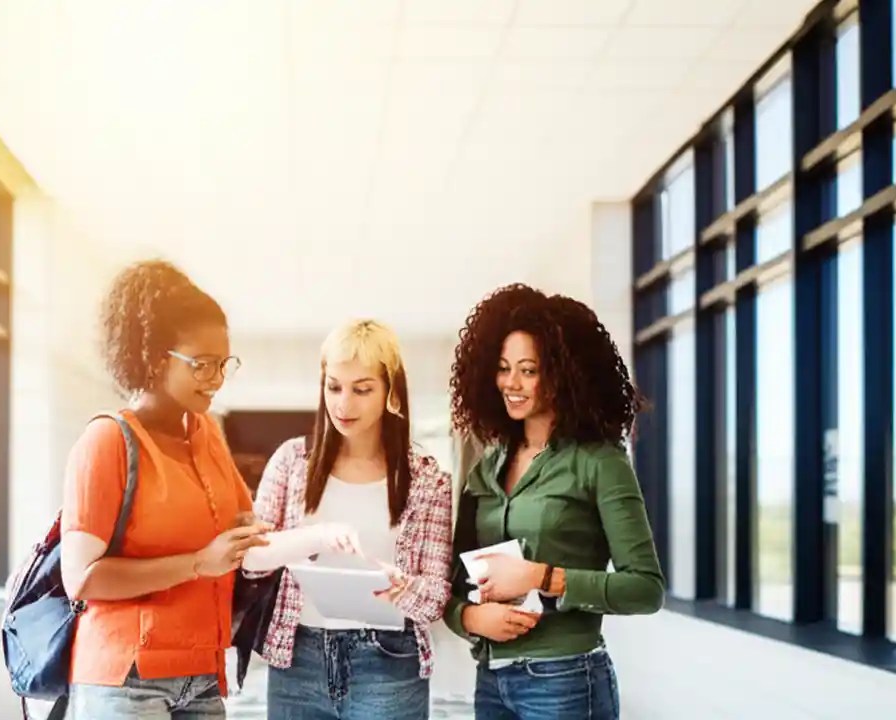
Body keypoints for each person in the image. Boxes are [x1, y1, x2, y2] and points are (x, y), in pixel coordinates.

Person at [443, 285, 665, 720]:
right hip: (491, 681)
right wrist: (469, 618)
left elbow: (645, 588)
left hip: (564, 679)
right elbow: (452, 581)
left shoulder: (600, 463)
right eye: (504, 368)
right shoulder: (486, 468)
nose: (512, 383)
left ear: (563, 374)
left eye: (529, 370)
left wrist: (543, 577)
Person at [60, 260, 267, 719]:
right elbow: (82, 577)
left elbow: (238, 520)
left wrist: (252, 535)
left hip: (204, 673)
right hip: (126, 678)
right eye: (202, 365)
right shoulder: (108, 441)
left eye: (223, 364)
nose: (216, 378)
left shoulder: (207, 433)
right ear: (155, 359)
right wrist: (197, 563)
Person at [241, 319, 454, 720]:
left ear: (391, 391)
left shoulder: (427, 478)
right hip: (298, 660)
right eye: (334, 386)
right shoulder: (291, 461)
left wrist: (402, 586)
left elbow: (435, 599)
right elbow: (251, 558)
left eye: (362, 389)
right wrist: (316, 536)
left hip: (389, 662)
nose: (343, 404)